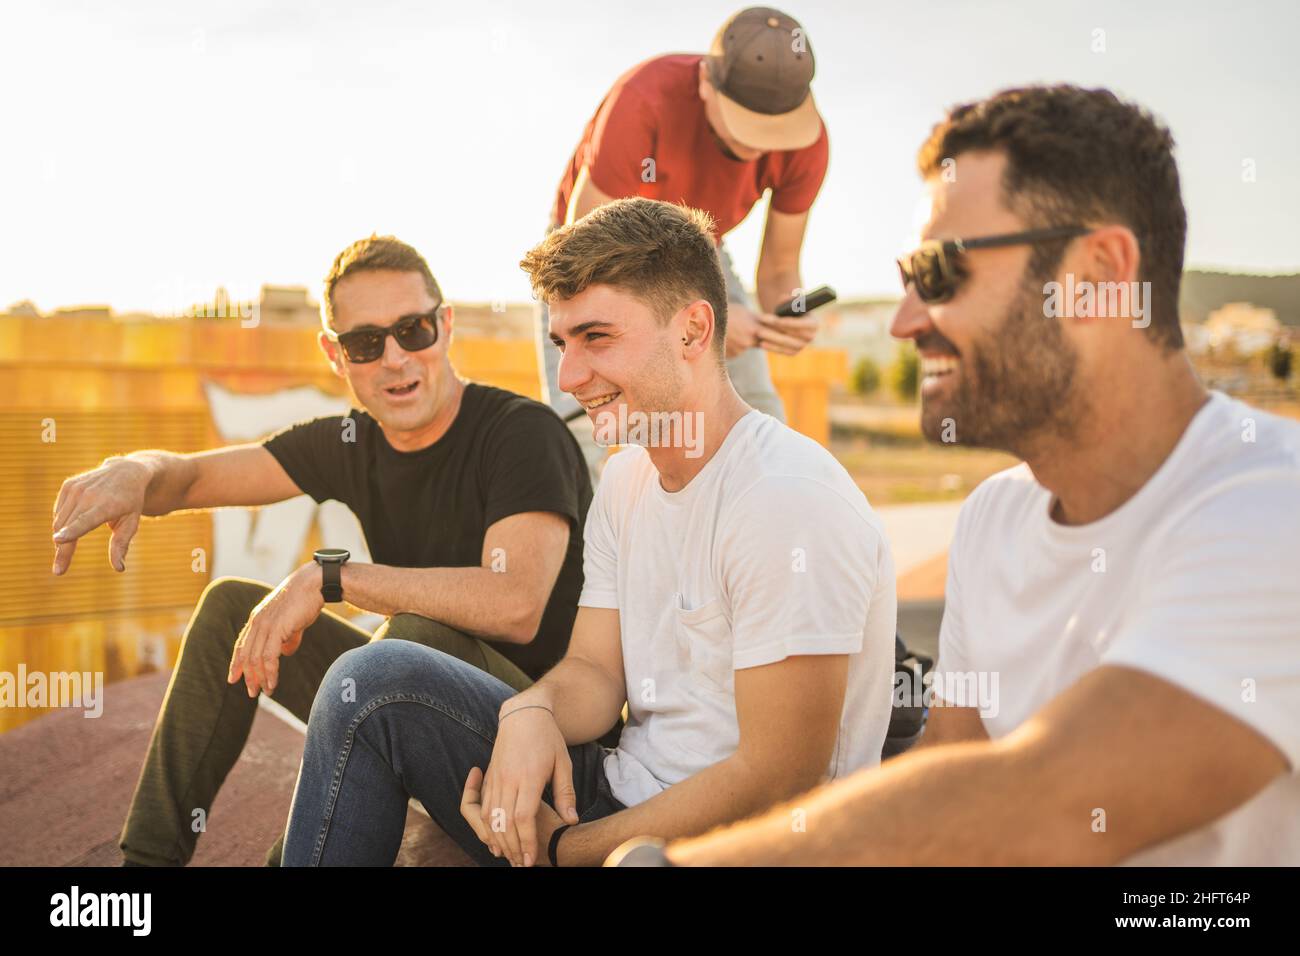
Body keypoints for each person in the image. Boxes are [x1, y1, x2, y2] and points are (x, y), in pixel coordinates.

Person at [646, 84, 1300, 867]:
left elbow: (1042, 801)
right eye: (904, 277)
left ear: (1098, 273)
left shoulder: (1270, 505)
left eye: (939, 271)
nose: (904, 321)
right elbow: (949, 763)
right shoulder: (996, 515)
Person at [280, 198, 897, 866]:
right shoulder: (630, 478)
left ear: (692, 332)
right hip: (612, 797)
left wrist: (567, 849)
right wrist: (532, 712)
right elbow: (596, 673)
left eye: (597, 338)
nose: (570, 379)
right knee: (375, 682)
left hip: (727, 848)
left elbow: (780, 780)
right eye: (561, 343)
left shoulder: (785, 502)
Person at [50, 235, 591, 867]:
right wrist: (134, 470)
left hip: (544, 744)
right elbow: (193, 479)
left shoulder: (521, 434)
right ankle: (144, 869)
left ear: (445, 327)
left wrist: (333, 580)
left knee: (412, 635)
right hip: (404, 713)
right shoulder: (350, 441)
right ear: (336, 355)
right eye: (366, 342)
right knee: (231, 610)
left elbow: (516, 602)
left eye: (412, 330)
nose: (394, 358)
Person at [537, 5, 832, 475]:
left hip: (700, 249)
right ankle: (584, 547)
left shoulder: (808, 145)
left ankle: (769, 525)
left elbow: (778, 269)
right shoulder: (643, 98)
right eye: (745, 123)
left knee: (753, 403)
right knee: (582, 421)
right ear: (704, 83)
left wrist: (786, 314)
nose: (759, 145)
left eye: (774, 130)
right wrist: (686, 322)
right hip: (599, 248)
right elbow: (583, 255)